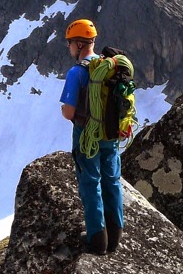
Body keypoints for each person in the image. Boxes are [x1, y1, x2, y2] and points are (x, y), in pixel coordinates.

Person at [59, 18, 124, 255]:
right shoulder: (110, 66)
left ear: (78, 44)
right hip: (110, 134)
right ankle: (115, 235)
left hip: (86, 135)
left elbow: (68, 113)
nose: (69, 48)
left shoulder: (77, 72)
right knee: (112, 180)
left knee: (90, 182)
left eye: (70, 44)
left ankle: (97, 239)